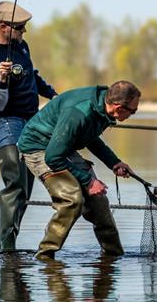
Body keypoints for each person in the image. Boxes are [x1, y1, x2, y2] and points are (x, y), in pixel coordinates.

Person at [17, 80, 140, 260]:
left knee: (99, 201)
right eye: (133, 111)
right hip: (38, 147)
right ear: (118, 107)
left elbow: (90, 137)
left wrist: (114, 162)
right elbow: (53, 157)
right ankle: (45, 255)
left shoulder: (101, 106)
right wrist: (88, 181)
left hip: (60, 146)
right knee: (72, 199)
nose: (133, 114)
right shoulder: (78, 113)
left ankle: (114, 256)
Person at [0, 0, 58, 250]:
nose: (24, 31)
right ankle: (5, 249)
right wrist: (2, 80)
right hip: (7, 122)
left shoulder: (22, 46)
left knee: (26, 191)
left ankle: (8, 248)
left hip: (32, 121)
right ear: (3, 26)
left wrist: (54, 96)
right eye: (20, 27)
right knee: (16, 184)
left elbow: (33, 76)